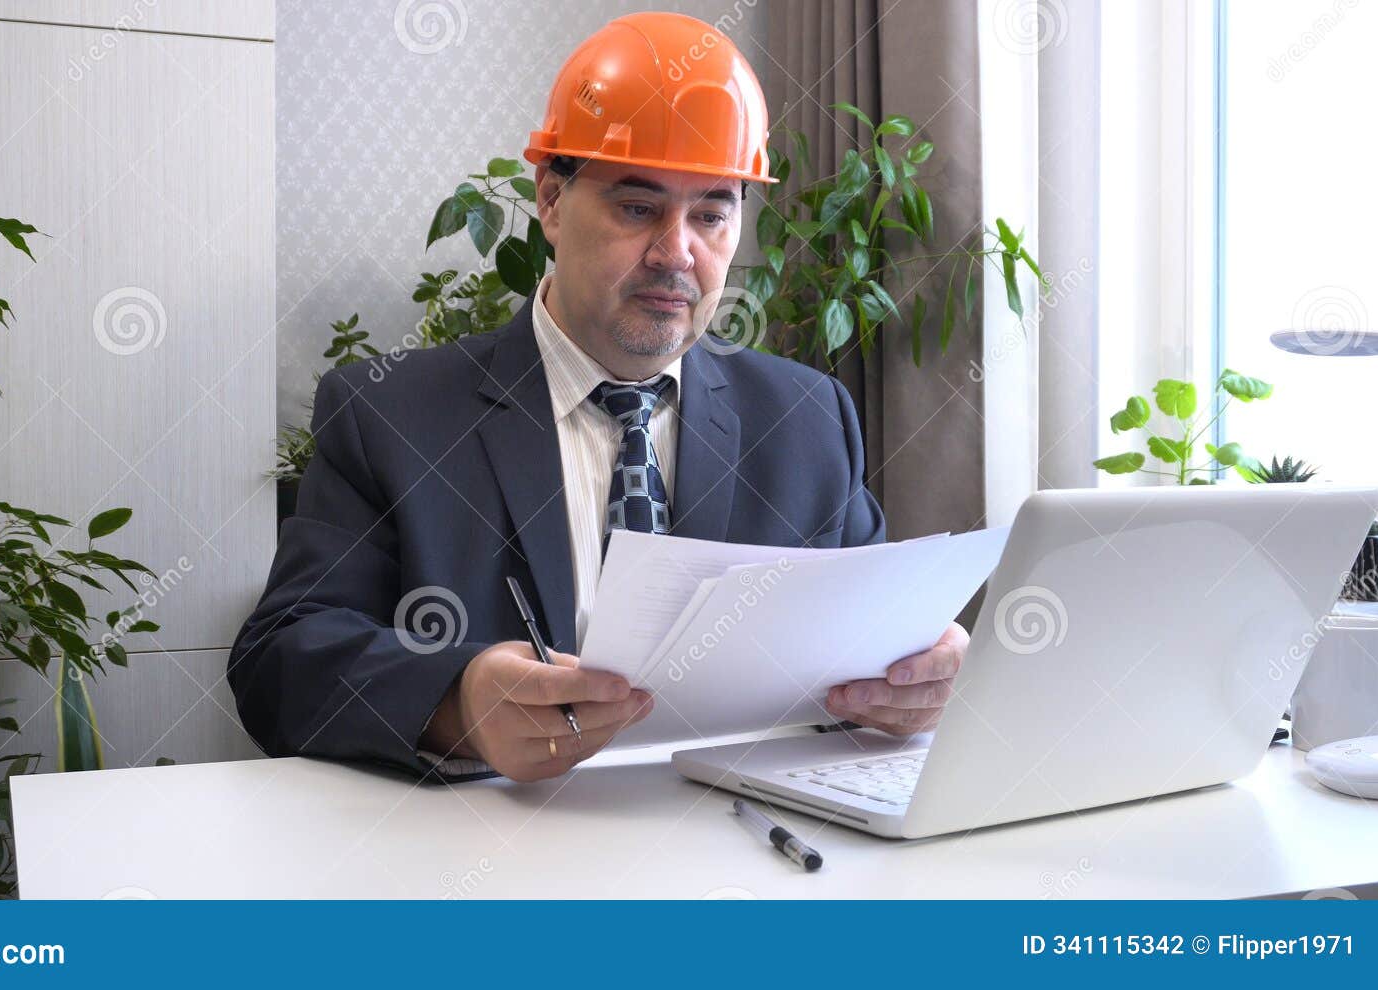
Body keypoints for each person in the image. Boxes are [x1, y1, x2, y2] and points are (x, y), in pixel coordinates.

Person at [228, 11, 968, 783]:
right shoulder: (392, 416)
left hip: (747, 855)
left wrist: (919, 679)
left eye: (712, 213)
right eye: (638, 207)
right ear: (551, 201)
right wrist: (458, 703)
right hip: (492, 862)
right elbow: (280, 659)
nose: (677, 252)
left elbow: (882, 636)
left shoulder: (806, 417)